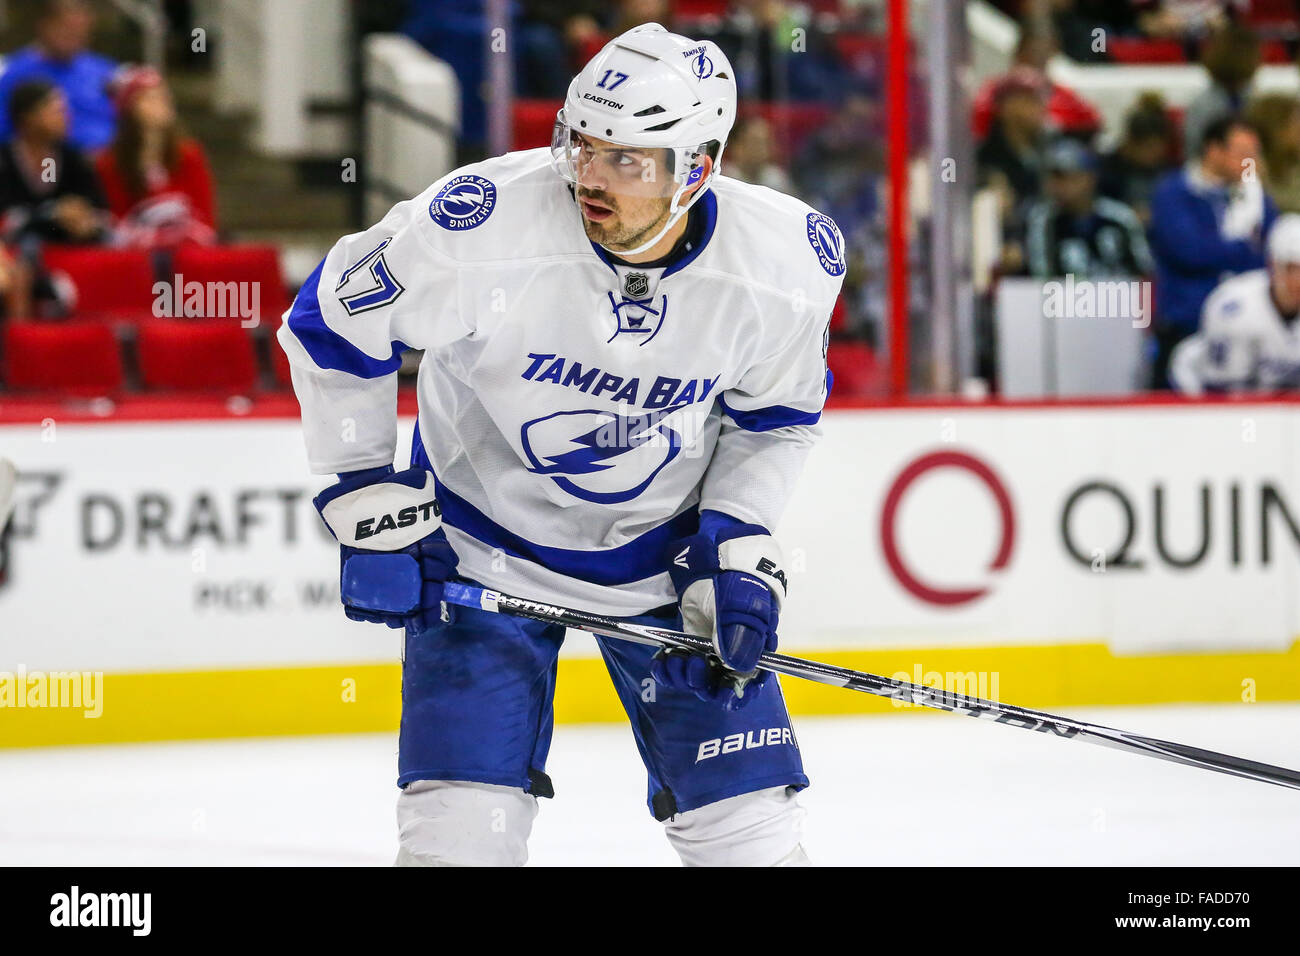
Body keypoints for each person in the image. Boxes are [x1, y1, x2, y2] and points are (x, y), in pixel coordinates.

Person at [277, 23, 843, 867]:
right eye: (583, 145)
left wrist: (732, 538)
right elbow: (332, 320)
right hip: (482, 548)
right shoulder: (477, 226)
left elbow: (775, 419)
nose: (590, 176)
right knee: (459, 839)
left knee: (750, 838)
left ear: (697, 165)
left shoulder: (783, 264)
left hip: (666, 560)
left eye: (628, 159)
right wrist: (362, 491)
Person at [1147, 115, 1277, 388]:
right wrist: (1242, 248)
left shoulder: (1257, 198)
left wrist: (1228, 250)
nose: (1250, 162)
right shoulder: (1173, 192)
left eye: (1255, 153)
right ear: (1214, 150)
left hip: (1247, 328)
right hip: (1187, 322)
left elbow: (1268, 255)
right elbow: (1189, 251)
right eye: (1242, 153)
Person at [1170, 213, 1300, 394]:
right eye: (1294, 270)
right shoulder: (1236, 309)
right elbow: (1226, 398)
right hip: (1207, 393)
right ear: (1273, 266)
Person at [94, 66, 217, 247]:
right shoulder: (109, 162)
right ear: (130, 108)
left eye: (164, 96)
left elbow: (205, 215)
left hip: (187, 248)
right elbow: (116, 222)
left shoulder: (189, 154)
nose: (162, 102)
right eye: (150, 98)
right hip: (138, 254)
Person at [1024, 138, 1154, 279]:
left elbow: (1144, 271)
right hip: (1065, 298)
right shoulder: (1043, 221)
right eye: (1053, 178)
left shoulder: (1121, 218)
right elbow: (1042, 277)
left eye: (1065, 177)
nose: (1057, 187)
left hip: (1119, 297)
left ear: (1089, 179)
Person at [0, 79, 108, 245]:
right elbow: (9, 213)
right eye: (57, 111)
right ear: (28, 117)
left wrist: (77, 209)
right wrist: (52, 212)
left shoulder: (70, 156)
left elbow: (95, 202)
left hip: (67, 237)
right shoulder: (6, 159)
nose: (66, 117)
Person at [0, 0, 118, 151]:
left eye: (81, 32)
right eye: (66, 29)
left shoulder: (104, 70)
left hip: (104, 163)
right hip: (49, 164)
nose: (74, 38)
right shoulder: (16, 74)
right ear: (44, 26)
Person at [1097, 92, 1178, 226]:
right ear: (1130, 144)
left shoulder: (1168, 171)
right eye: (1150, 148)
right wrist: (1128, 213)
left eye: (1161, 149)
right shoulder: (1106, 173)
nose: (1157, 155)